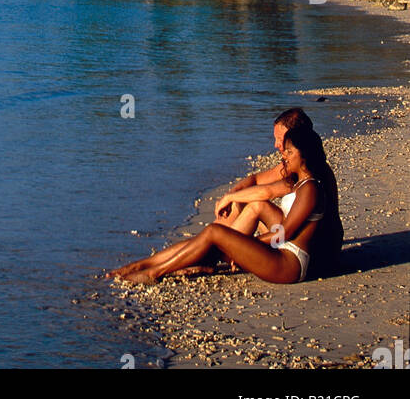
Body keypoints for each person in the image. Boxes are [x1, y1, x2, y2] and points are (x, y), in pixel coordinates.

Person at [107, 125, 330, 284]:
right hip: (282, 255)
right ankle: (148, 265)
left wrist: (246, 244)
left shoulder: (310, 188)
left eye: (290, 152)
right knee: (211, 238)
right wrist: (241, 243)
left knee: (215, 232)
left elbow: (286, 233)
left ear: (305, 155)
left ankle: (154, 273)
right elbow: (264, 191)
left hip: (288, 265)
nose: (284, 157)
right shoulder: (301, 183)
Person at [217, 107, 343, 261]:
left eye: (280, 138)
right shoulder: (302, 163)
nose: (276, 144)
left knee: (254, 204)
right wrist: (233, 193)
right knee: (242, 199)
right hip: (307, 239)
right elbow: (256, 179)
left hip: (320, 249)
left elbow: (268, 192)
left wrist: (229, 198)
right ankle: (217, 247)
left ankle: (218, 251)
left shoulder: (308, 171)